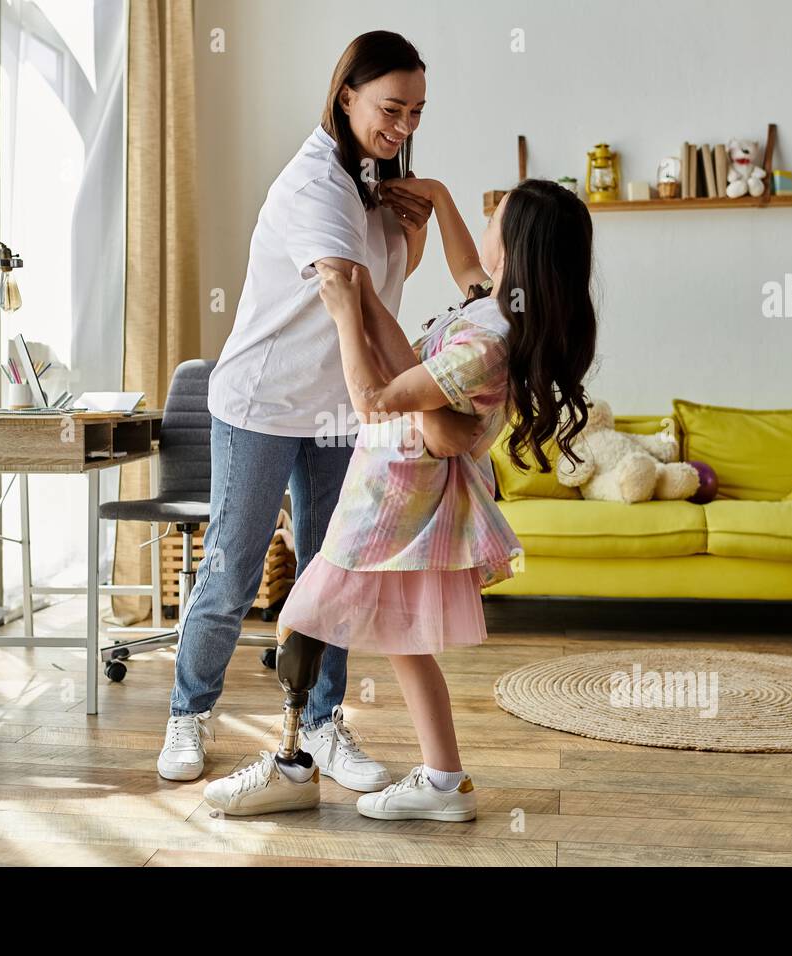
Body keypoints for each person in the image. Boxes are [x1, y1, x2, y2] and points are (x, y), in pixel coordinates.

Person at [203, 178, 599, 819]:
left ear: (517, 245)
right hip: (403, 487)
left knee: (299, 618)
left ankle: (290, 767)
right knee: (404, 643)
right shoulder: (496, 307)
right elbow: (467, 269)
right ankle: (445, 783)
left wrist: (344, 315)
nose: (488, 216)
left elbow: (375, 400)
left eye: (500, 214)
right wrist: (438, 201)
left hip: (391, 497)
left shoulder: (487, 341)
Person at [159, 32, 482, 789]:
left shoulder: (375, 177)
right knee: (234, 567)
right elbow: (360, 310)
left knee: (332, 572)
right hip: (265, 402)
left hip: (339, 409)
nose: (404, 126)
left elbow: (385, 283)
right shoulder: (315, 184)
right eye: (390, 109)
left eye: (417, 112)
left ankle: (320, 722)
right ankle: (190, 712)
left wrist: (416, 230)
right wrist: (429, 391)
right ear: (346, 97)